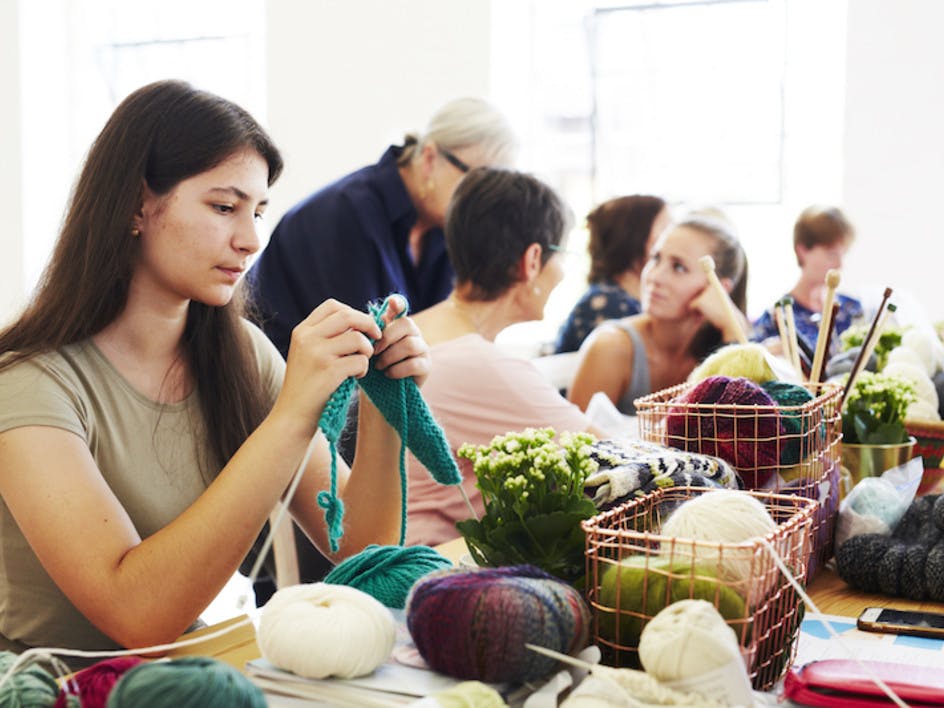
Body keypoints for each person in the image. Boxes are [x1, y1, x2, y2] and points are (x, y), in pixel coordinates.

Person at [0, 80, 431, 654]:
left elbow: (364, 548)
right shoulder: (28, 383)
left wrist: (382, 409)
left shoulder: (242, 353)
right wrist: (290, 416)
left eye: (258, 211)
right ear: (135, 205)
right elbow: (135, 616)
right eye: (224, 207)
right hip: (61, 685)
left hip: (191, 663)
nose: (251, 239)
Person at [405, 168, 602, 546]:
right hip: (435, 572)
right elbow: (614, 460)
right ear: (533, 260)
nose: (562, 271)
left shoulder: (419, 330)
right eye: (562, 254)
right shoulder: (479, 365)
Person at [247, 98, 518, 357]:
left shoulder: (446, 227)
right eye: (478, 182)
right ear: (429, 158)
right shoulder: (344, 213)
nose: (484, 201)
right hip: (282, 388)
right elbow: (372, 353)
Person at [568, 215, 749, 415]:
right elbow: (574, 441)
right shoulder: (610, 346)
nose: (655, 277)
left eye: (678, 267)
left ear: (717, 289)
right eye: (655, 258)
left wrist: (733, 331)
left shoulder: (721, 348)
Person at [554, 195, 670, 353]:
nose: (673, 237)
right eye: (666, 228)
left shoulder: (631, 298)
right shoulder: (607, 304)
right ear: (636, 236)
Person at [752, 205, 862, 358]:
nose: (839, 265)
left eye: (843, 254)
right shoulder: (776, 317)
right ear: (802, 251)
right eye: (831, 255)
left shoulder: (853, 309)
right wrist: (767, 353)